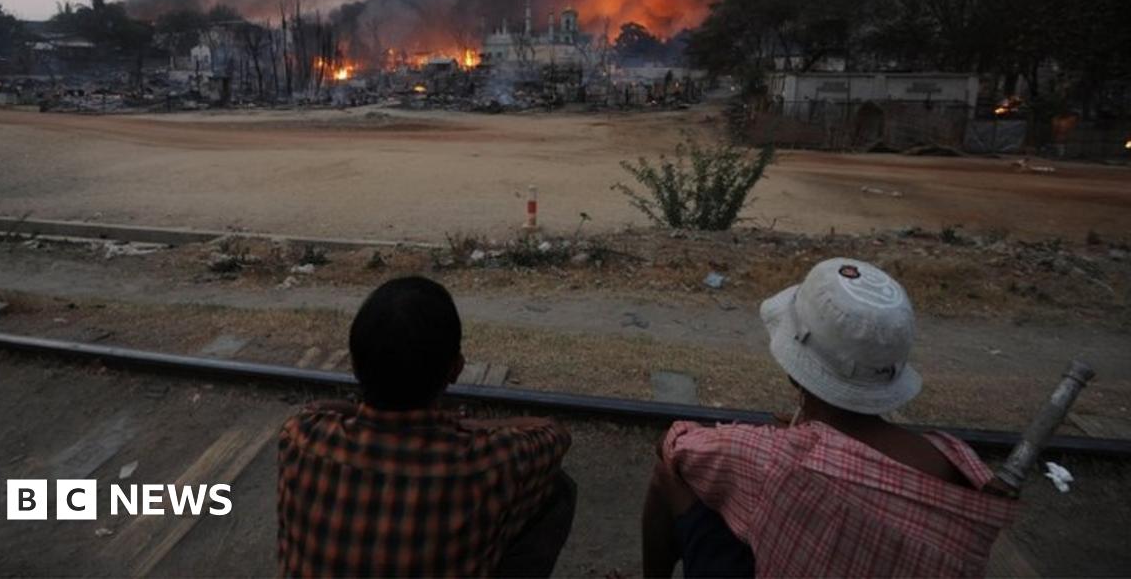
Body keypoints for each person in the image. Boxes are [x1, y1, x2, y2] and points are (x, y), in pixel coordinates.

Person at [643, 258, 1018, 578]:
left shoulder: (774, 458)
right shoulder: (955, 459)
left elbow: (674, 445)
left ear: (795, 370)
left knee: (670, 471)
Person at [277, 276, 575, 577]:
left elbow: (317, 409)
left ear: (354, 365)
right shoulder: (487, 462)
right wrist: (466, 426)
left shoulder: (301, 436)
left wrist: (371, 414)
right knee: (558, 486)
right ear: (456, 369)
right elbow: (553, 432)